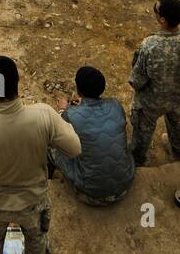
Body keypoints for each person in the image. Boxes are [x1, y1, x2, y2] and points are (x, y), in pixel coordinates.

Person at [0, 56, 81, 254]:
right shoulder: (43, 115)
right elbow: (74, 148)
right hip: (33, 201)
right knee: (36, 242)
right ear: (17, 81)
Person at [129, 0, 180, 166]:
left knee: (143, 131)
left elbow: (136, 80)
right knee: (178, 124)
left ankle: (139, 160)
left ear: (162, 20)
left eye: (155, 10)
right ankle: (179, 153)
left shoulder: (150, 45)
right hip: (178, 98)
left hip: (151, 102)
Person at [50, 66, 134, 206]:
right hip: (124, 185)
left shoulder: (71, 115)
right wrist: (82, 106)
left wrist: (62, 109)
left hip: (91, 192)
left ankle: (49, 180)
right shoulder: (115, 105)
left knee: (53, 147)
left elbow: (58, 129)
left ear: (78, 90)